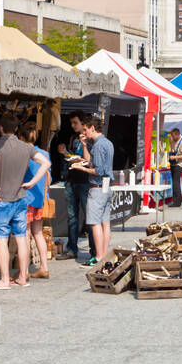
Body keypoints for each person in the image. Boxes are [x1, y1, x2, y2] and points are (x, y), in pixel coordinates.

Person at [0, 113, 50, 289]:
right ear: (16, 129)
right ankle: (23, 277)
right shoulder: (26, 148)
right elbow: (45, 164)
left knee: (1, 239)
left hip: (2, 198)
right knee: (21, 238)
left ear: (1, 128)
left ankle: (5, 280)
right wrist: (32, 181)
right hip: (21, 197)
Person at [74, 114, 113, 267]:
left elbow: (97, 169)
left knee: (95, 223)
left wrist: (81, 168)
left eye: (85, 130)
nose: (84, 133)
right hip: (107, 186)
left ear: (92, 127)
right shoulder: (107, 143)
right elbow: (93, 162)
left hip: (97, 187)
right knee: (105, 223)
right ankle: (103, 255)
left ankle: (98, 256)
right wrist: (84, 146)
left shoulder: (98, 145)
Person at [56, 114, 94, 261]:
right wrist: (65, 153)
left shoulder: (90, 140)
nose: (73, 125)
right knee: (72, 218)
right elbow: (72, 159)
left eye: (75, 122)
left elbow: (87, 161)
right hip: (71, 181)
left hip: (85, 182)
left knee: (89, 218)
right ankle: (72, 248)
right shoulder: (73, 138)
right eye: (71, 123)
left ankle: (94, 250)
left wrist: (74, 157)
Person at [17, 125, 52, 280]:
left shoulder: (23, 154)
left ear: (22, 138)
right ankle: (44, 267)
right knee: (38, 232)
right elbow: (49, 177)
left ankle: (24, 271)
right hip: (39, 199)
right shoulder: (44, 153)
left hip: (26, 197)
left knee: (25, 233)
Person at [167, 128, 182, 207]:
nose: (172, 138)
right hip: (172, 164)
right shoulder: (172, 140)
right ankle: (175, 200)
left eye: (173, 136)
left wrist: (176, 157)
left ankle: (177, 202)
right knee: (174, 183)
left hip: (179, 164)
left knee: (176, 183)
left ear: (177, 135)